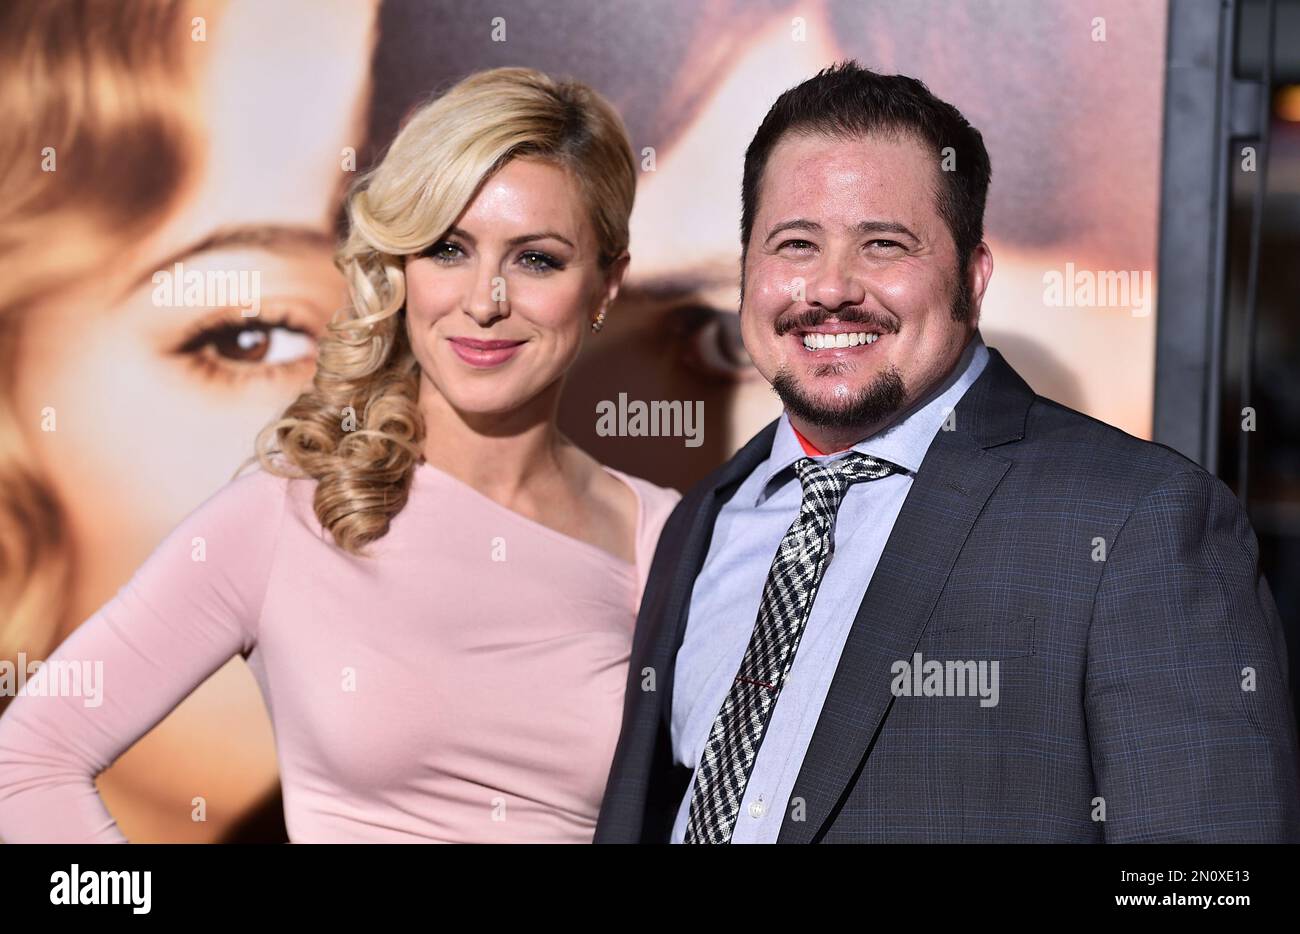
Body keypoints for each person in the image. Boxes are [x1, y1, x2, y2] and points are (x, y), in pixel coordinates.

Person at [595, 61, 1300, 843]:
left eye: (884, 244)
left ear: (973, 275)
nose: (830, 287)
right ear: (748, 275)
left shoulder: (1137, 520)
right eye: (794, 244)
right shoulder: (708, 518)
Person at [0, 66, 679, 843]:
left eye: (537, 260)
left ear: (605, 286)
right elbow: (27, 762)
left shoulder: (660, 535)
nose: (485, 301)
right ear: (400, 268)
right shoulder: (287, 510)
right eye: (448, 248)